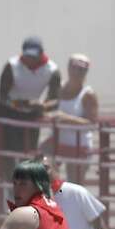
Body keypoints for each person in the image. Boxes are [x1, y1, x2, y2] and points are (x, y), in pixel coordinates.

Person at [0, 37, 61, 204]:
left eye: (34, 55)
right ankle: (10, 196)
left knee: (28, 156)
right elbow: (3, 97)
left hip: (32, 116)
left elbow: (55, 99)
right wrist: (21, 104)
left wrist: (42, 106)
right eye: (27, 55)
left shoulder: (52, 69)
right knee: (9, 157)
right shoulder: (12, 66)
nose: (30, 59)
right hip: (9, 114)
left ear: (41, 54)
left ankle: (28, 197)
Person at [44, 54, 99, 183]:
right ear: (69, 68)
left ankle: (71, 200)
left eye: (83, 69)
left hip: (79, 144)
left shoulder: (88, 94)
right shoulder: (58, 89)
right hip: (57, 141)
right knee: (41, 162)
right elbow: (46, 108)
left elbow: (92, 124)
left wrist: (65, 118)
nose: (78, 72)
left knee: (75, 185)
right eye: (75, 68)